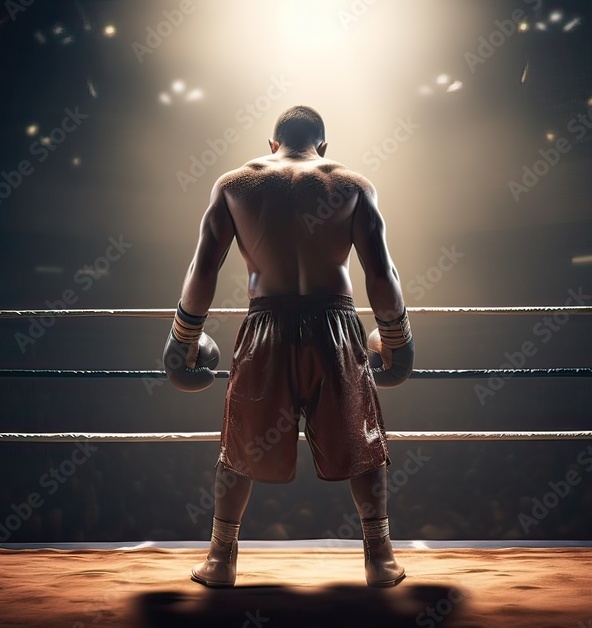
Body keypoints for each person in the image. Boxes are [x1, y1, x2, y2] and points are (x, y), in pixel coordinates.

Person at [162, 105, 415, 588]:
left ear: (272, 142)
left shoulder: (236, 183)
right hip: (334, 324)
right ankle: (379, 558)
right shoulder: (353, 184)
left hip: (266, 325)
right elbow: (381, 273)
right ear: (323, 145)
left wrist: (183, 339)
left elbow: (204, 270)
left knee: (239, 444)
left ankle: (221, 559)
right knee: (362, 441)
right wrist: (397, 338)